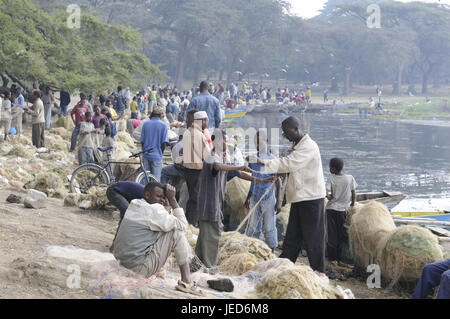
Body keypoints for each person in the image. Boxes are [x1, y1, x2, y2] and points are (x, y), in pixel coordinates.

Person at [194, 130, 276, 271]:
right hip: (209, 204)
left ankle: (195, 264)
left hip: (216, 204)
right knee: (212, 236)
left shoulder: (224, 158)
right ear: (218, 142)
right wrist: (239, 166)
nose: (227, 143)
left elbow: (239, 173)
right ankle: (209, 266)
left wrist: (260, 180)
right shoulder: (212, 157)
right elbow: (219, 167)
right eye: (225, 140)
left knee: (204, 236)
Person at [256, 116, 326, 273]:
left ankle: (320, 273)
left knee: (313, 239)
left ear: (296, 129)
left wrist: (264, 162)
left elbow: (289, 164)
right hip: (300, 198)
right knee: (292, 237)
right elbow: (290, 167)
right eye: (282, 133)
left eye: (286, 132)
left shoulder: (309, 146)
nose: (284, 136)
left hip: (311, 199)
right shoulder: (297, 146)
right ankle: (283, 269)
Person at [113, 182, 203, 296]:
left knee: (167, 230)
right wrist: (173, 199)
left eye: (163, 197)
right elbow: (182, 225)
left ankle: (182, 278)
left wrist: (166, 205)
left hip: (123, 264)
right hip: (138, 269)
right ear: (147, 194)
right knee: (176, 233)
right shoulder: (154, 210)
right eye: (158, 196)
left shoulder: (135, 203)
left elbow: (164, 221)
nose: (161, 200)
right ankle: (187, 281)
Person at [244, 131, 282, 252]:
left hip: (268, 198)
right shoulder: (253, 159)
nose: (258, 145)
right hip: (255, 196)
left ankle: (272, 249)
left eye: (260, 142)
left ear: (267, 142)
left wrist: (279, 201)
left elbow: (278, 182)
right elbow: (253, 179)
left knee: (269, 226)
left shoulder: (272, 160)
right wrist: (248, 197)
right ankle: (256, 248)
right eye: (256, 143)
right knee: (253, 225)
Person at [325, 157, 357, 266]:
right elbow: (353, 193)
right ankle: (339, 258)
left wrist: (329, 197)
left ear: (333, 169)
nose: (329, 169)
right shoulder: (350, 178)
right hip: (343, 210)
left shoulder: (331, 179)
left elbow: (326, 192)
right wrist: (352, 203)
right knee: (340, 234)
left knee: (331, 234)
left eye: (330, 167)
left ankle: (332, 258)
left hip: (331, 209)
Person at [182, 110, 211, 226]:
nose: (207, 123)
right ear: (202, 121)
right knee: (196, 199)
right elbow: (207, 156)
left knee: (193, 197)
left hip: (188, 170)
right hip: (197, 171)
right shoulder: (200, 135)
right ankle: (192, 224)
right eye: (206, 120)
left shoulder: (188, 132)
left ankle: (191, 223)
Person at [106, 181, 145, 251]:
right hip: (114, 191)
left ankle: (119, 244)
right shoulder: (151, 194)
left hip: (125, 195)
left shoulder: (154, 195)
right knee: (127, 215)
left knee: (128, 216)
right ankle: (115, 245)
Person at [140, 107, 170, 182]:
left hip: (146, 154)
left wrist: (144, 151)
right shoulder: (163, 125)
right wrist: (161, 153)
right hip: (157, 156)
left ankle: (143, 193)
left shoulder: (145, 124)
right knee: (156, 180)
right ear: (160, 115)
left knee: (145, 178)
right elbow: (164, 143)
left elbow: (142, 141)